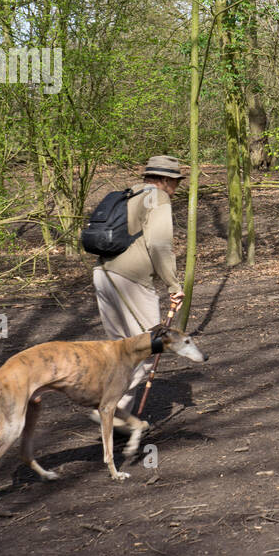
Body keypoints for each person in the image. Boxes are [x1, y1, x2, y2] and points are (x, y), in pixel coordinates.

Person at [91, 154, 187, 425]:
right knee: (147, 348)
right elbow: (159, 245)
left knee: (122, 348)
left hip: (103, 274)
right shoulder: (158, 197)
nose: (176, 188)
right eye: (176, 182)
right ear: (166, 180)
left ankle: (117, 419)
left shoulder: (127, 194)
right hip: (131, 280)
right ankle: (111, 409)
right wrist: (173, 285)